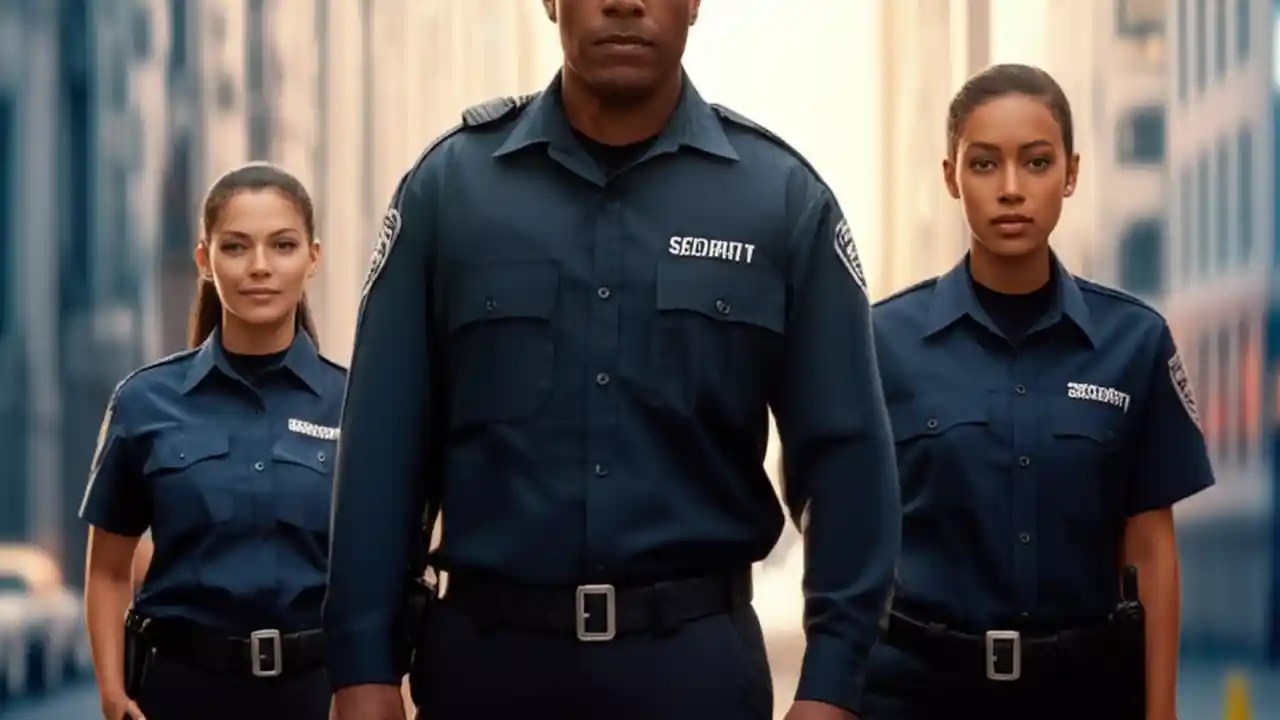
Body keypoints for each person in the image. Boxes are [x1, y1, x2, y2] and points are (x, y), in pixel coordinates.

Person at [324, 1, 900, 719]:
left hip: (694, 674)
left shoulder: (779, 202)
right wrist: (362, 667)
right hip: (488, 670)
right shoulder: (450, 192)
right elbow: (382, 451)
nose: (625, 3)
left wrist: (833, 687)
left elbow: (847, 461)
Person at [864, 63, 1214, 720]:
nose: (1012, 189)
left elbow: (1151, 553)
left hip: (1084, 694)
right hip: (918, 695)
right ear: (950, 177)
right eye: (985, 164)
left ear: (1071, 173)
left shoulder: (1135, 343)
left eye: (1037, 161)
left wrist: (1160, 711)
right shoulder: (883, 341)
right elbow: (847, 541)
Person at [80, 163, 346, 720]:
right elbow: (108, 570)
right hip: (178, 692)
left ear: (313, 258)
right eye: (235, 247)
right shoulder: (144, 402)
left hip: (315, 696)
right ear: (204, 260)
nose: (260, 267)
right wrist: (111, 692)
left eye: (283, 245)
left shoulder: (355, 405)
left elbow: (384, 573)